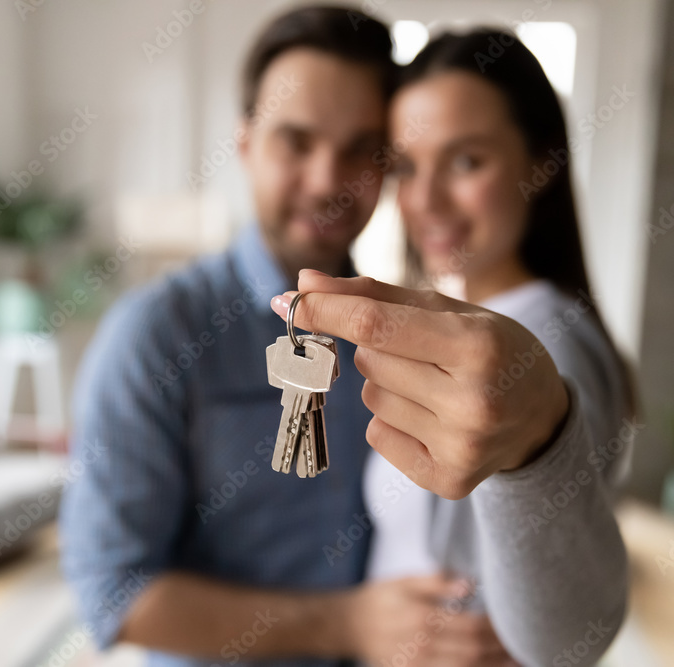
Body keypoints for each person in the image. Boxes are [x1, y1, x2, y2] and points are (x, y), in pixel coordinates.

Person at [60, 7, 497, 667]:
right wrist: (347, 624)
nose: (325, 180)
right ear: (244, 144)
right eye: (296, 140)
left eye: (359, 150)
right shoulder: (153, 337)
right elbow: (115, 592)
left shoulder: (400, 332)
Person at [270, 30, 637, 666]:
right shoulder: (454, 322)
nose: (427, 200)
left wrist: (535, 449)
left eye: (467, 162)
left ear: (541, 164)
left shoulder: (549, 344)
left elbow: (567, 640)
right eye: (407, 167)